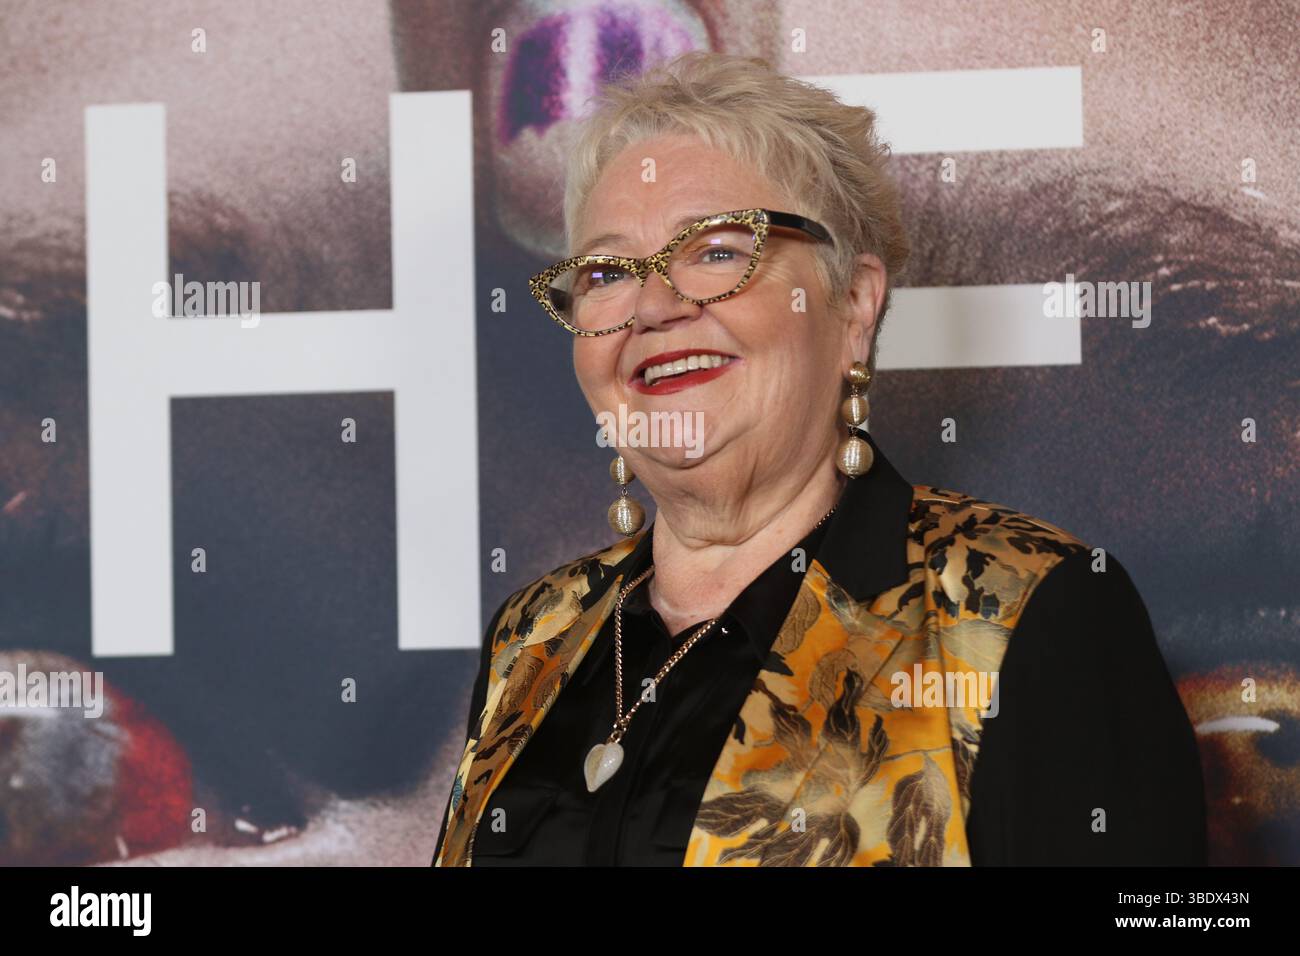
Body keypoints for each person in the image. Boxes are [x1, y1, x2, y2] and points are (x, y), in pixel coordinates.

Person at [432, 51, 1205, 867]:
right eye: (608, 272)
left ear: (853, 304)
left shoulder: (1026, 618)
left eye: (719, 251)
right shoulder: (535, 634)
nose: (654, 307)